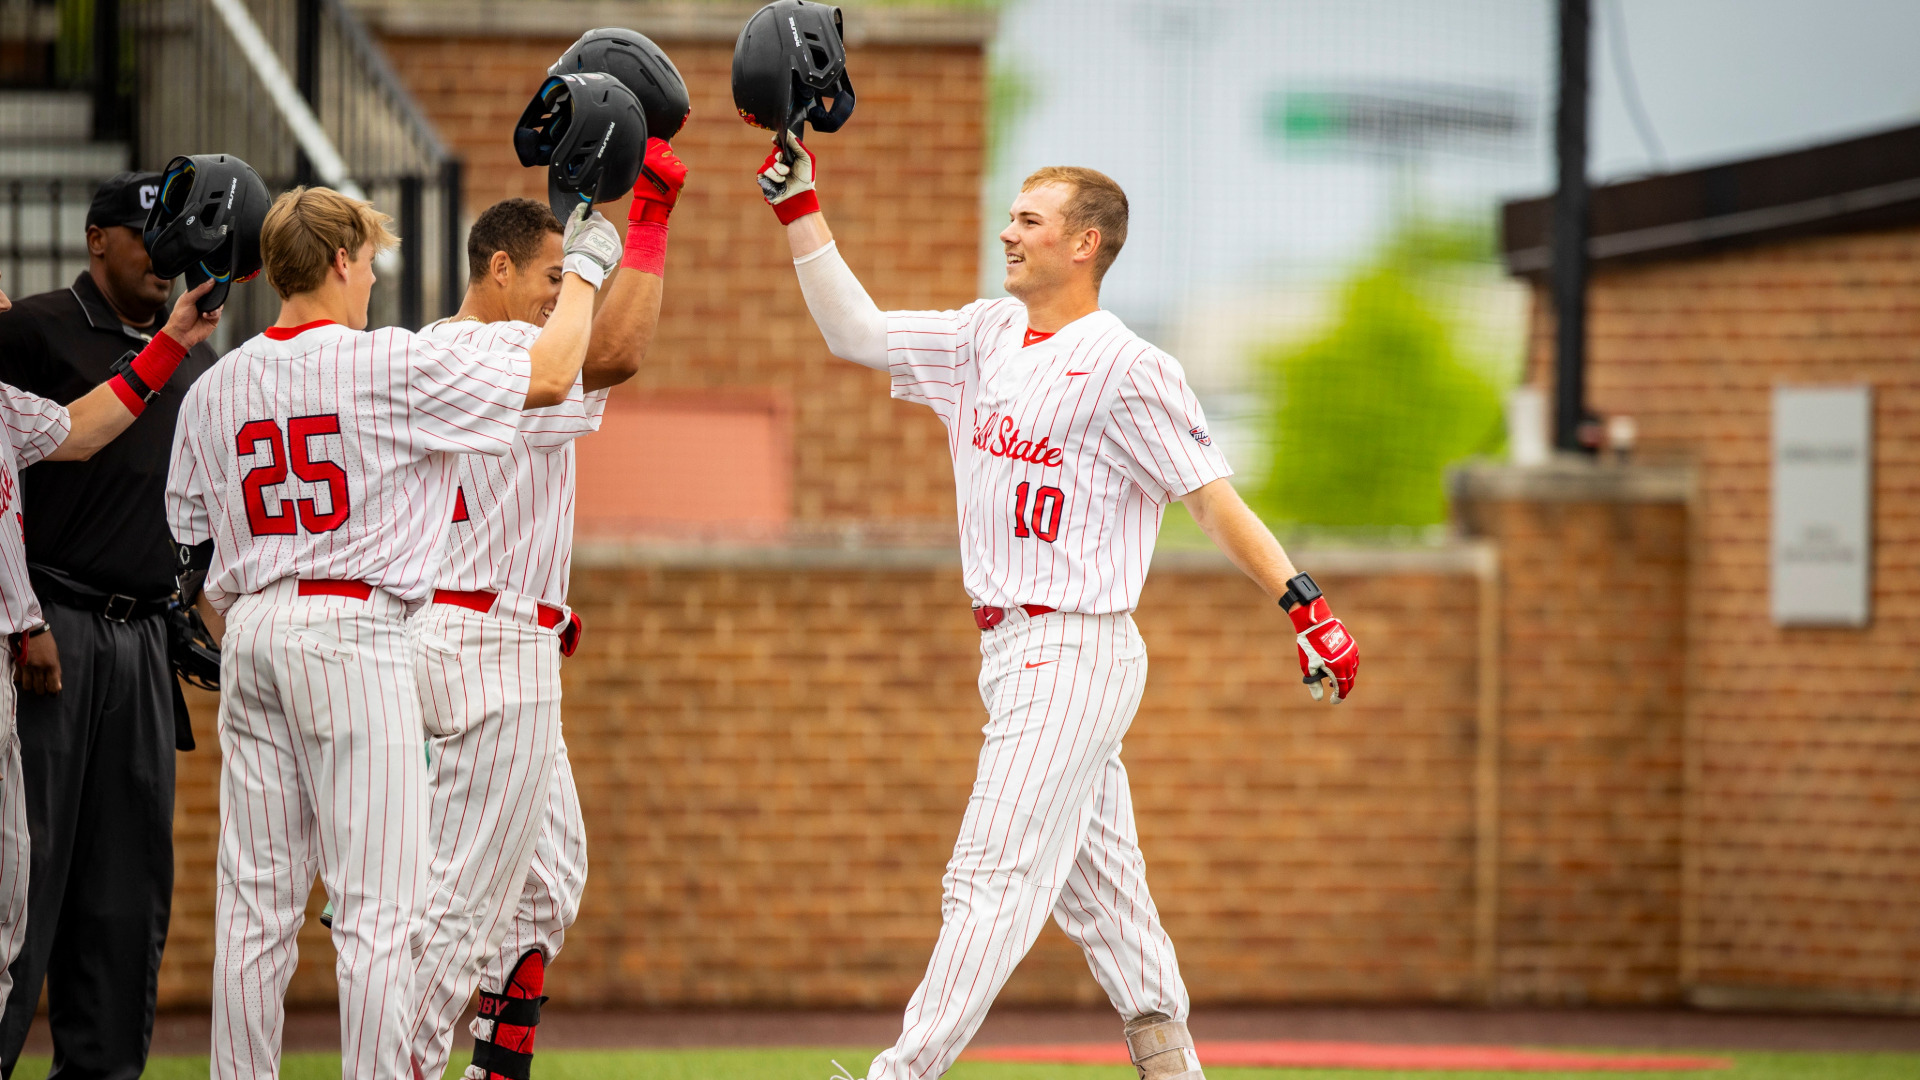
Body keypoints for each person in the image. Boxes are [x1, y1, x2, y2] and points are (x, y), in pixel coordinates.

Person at [756, 134, 1361, 1080]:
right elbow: (856, 333)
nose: (1008, 233)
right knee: (1105, 893)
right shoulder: (982, 337)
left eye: (1029, 221)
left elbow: (1210, 499)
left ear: (1085, 244)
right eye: (1012, 216)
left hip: (1076, 648)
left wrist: (1305, 605)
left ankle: (901, 1072)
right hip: (1011, 652)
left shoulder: (1130, 368)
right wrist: (802, 210)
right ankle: (1171, 1060)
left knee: (991, 873)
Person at [163, 185, 621, 1080]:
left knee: (255, 913)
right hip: (356, 628)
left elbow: (186, 540)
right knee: (381, 913)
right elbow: (553, 372)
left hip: (252, 626)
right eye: (367, 259)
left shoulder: (215, 386)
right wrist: (593, 266)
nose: (372, 276)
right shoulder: (384, 363)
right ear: (338, 261)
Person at [407, 139, 682, 1080]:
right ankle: (395, 1060)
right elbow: (615, 352)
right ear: (498, 269)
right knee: (457, 910)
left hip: (491, 635)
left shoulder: (457, 351)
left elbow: (593, 353)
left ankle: (495, 1069)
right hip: (479, 644)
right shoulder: (483, 346)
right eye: (553, 276)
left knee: (545, 886)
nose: (566, 292)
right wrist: (646, 222)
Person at [0, 171, 221, 1080]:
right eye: (147, 234)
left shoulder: (196, 361)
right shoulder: (34, 328)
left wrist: (193, 606)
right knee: (26, 880)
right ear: (98, 239)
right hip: (49, 635)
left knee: (126, 896)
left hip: (138, 642)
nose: (164, 255)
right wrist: (24, 618)